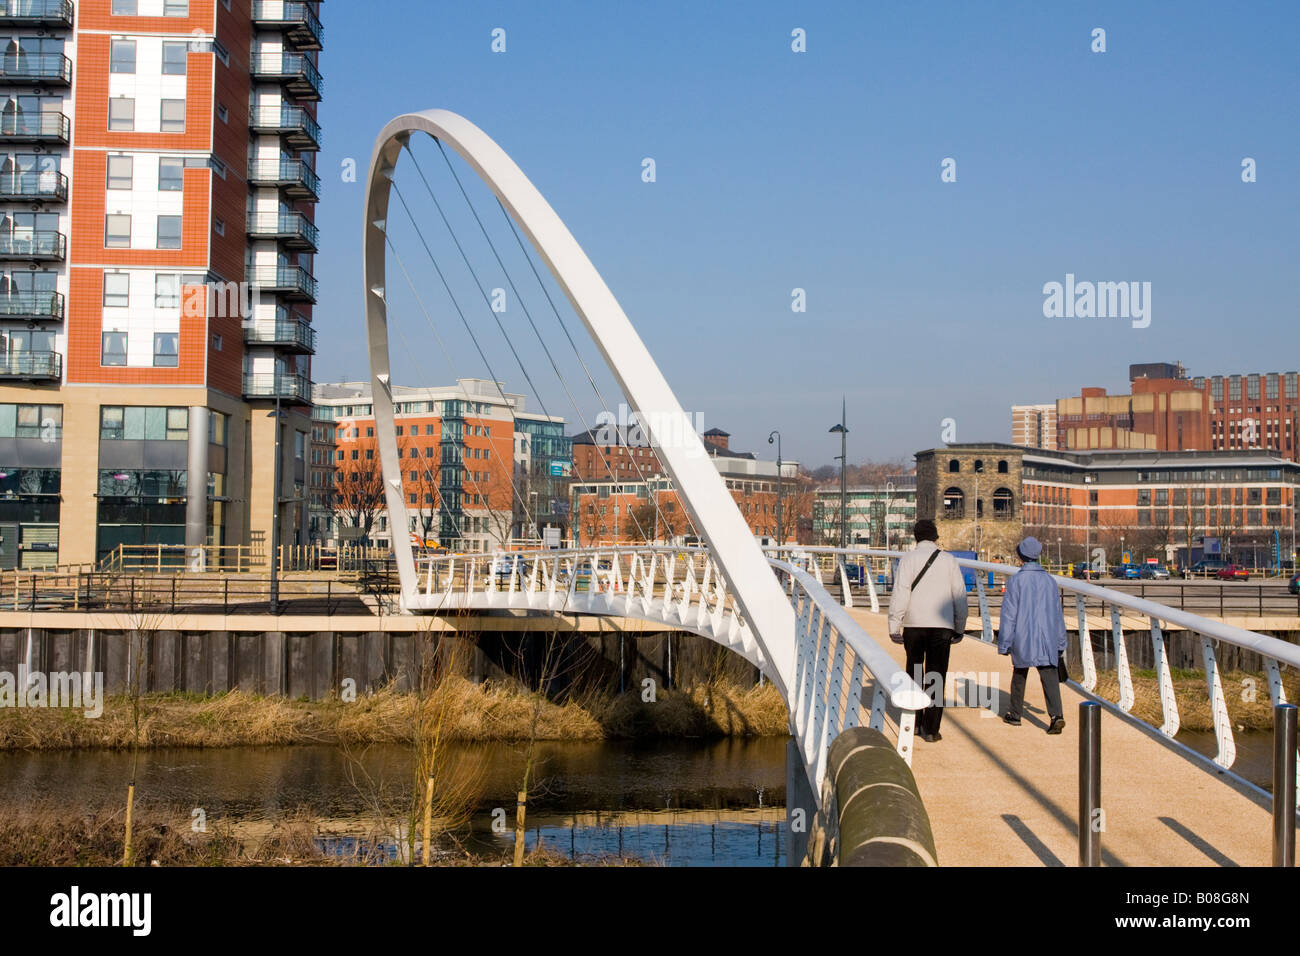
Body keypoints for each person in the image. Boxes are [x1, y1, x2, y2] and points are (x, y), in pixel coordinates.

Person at [888, 519, 969, 742]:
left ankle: (914, 723)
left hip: (913, 625)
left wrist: (895, 625)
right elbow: (959, 596)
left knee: (914, 673)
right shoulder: (949, 560)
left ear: (916, 537)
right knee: (936, 675)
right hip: (942, 626)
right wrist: (959, 626)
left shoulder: (908, 560)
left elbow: (901, 593)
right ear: (936, 537)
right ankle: (931, 730)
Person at [998, 535, 1068, 734]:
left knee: (1019, 674)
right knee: (1049, 676)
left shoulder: (1016, 581)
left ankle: (1015, 714)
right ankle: (1056, 716)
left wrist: (1004, 643)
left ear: (1021, 556)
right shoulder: (1050, 581)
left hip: (1023, 636)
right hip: (1047, 637)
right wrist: (1061, 642)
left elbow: (1009, 615)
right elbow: (1057, 614)